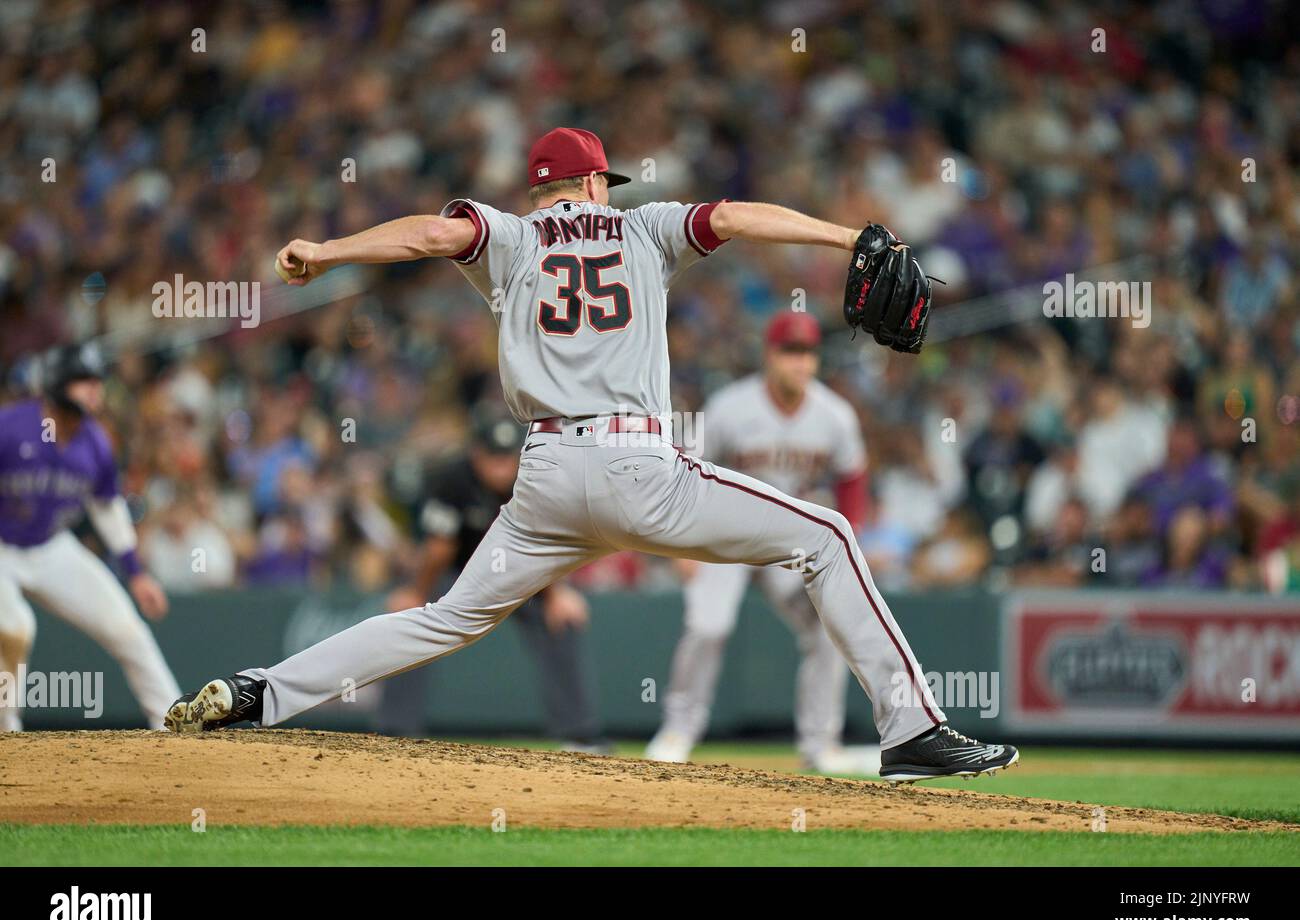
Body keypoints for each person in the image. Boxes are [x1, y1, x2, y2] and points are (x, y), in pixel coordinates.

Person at [168, 127, 1019, 782]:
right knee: (827, 535)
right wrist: (848, 238)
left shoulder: (506, 236)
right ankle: (910, 730)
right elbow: (733, 216)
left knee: (442, 620)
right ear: (587, 182)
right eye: (600, 179)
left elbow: (430, 236)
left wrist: (326, 251)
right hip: (638, 467)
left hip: (544, 480)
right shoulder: (644, 227)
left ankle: (258, 690)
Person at [646, 310, 879, 774]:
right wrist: (680, 545)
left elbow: (853, 482)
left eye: (808, 353)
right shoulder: (731, 406)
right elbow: (682, 472)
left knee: (827, 627)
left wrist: (849, 544)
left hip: (788, 541)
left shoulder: (835, 415)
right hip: (724, 535)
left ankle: (821, 745)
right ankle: (678, 730)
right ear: (769, 355)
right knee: (708, 626)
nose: (800, 363)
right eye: (790, 352)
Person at [381, 406, 607, 751]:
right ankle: (394, 733)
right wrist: (416, 592)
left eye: (506, 458)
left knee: (563, 620)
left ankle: (579, 737)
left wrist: (559, 594)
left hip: (520, 573)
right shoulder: (453, 479)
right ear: (476, 454)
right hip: (460, 574)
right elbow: (438, 550)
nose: (501, 468)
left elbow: (548, 543)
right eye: (492, 458)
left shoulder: (535, 477)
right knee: (412, 620)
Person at [0, 343, 180, 730]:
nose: (95, 391)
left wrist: (136, 572)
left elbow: (107, 507)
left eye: (97, 382)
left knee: (127, 628)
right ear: (58, 382)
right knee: (15, 626)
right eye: (85, 381)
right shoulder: (12, 427)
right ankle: (5, 732)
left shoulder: (96, 442)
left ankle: (171, 721)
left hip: (51, 547)